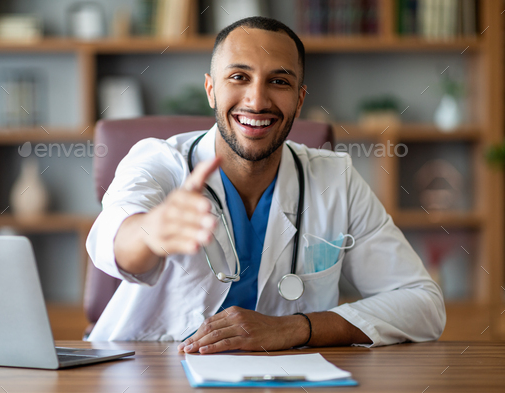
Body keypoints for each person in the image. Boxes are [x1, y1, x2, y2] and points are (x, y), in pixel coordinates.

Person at [86, 17, 445, 353]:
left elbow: (422, 303)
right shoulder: (159, 161)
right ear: (211, 90)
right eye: (239, 77)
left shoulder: (335, 179)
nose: (257, 101)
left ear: (300, 100)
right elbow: (112, 240)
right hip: (151, 371)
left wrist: (297, 327)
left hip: (282, 378)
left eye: (279, 81)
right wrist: (152, 231)